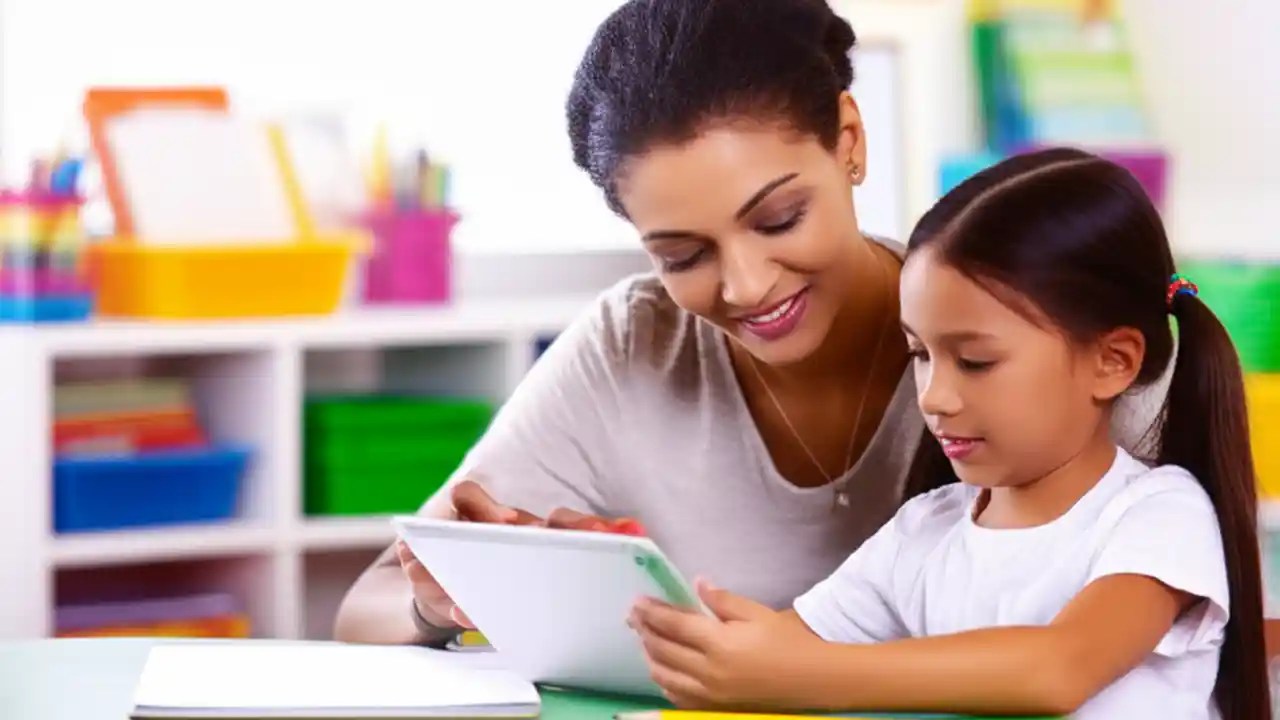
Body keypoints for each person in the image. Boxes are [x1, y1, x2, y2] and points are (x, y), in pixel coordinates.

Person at [334, 0, 940, 646]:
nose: (745, 285)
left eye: (779, 220)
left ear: (849, 140)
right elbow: (366, 609)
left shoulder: (985, 325)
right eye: (683, 255)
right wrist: (444, 602)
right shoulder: (634, 344)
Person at [629, 149, 1269, 719]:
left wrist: (797, 673)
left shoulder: (1158, 514)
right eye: (919, 354)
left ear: (1113, 361)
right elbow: (787, 649)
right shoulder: (923, 533)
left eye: (975, 361)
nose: (933, 396)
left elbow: (1058, 669)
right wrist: (709, 643)